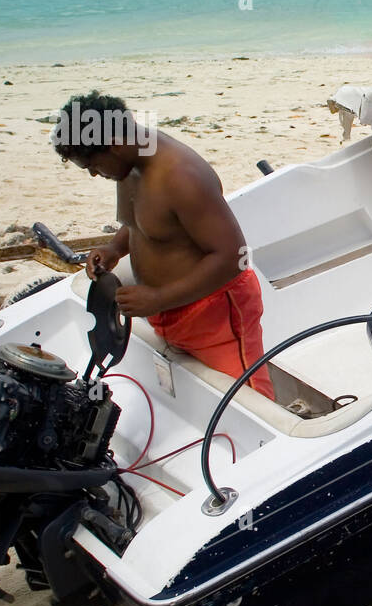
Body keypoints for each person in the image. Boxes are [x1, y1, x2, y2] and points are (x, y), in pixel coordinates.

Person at [51, 90, 276, 400]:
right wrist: (115, 249)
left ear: (114, 145)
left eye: (92, 165)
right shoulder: (128, 164)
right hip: (168, 313)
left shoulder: (180, 177)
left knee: (246, 401)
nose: (93, 173)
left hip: (216, 316)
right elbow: (138, 223)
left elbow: (233, 257)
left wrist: (158, 297)